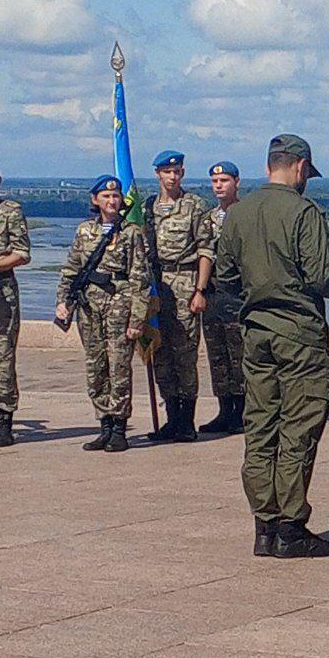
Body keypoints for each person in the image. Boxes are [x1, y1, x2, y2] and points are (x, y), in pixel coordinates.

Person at [217, 134, 329, 558]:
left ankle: (263, 526)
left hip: (256, 333)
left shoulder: (238, 214)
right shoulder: (304, 212)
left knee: (260, 427)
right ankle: (290, 527)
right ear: (301, 166)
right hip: (300, 334)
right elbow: (322, 277)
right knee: (298, 427)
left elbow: (226, 280)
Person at [54, 176, 150, 452]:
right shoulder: (84, 231)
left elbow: (139, 278)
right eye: (105, 197)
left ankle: (120, 426)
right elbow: (71, 269)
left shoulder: (131, 233)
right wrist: (63, 302)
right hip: (89, 307)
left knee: (119, 365)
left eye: (115, 196)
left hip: (119, 305)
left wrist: (137, 319)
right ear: (95, 200)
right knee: (95, 366)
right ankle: (104, 424)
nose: (111, 201)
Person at [143, 151, 213, 442]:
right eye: (167, 172)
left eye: (177, 172)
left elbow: (206, 250)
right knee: (159, 353)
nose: (172, 177)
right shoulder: (148, 207)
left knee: (185, 354)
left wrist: (200, 290)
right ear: (158, 174)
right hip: (157, 287)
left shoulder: (194, 205)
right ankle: (170, 418)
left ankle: (186, 421)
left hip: (185, 282)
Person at [200, 162, 246, 436]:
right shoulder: (208, 218)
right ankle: (224, 409)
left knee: (238, 353)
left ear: (236, 182)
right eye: (215, 180)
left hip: (238, 293)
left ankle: (241, 412)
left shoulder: (245, 214)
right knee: (217, 354)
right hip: (215, 293)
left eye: (224, 180)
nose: (219, 185)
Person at [0, 161, 30, 447]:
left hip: (1, 288)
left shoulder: (9, 211)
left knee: (2, 353)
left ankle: (3, 416)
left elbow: (21, 253)